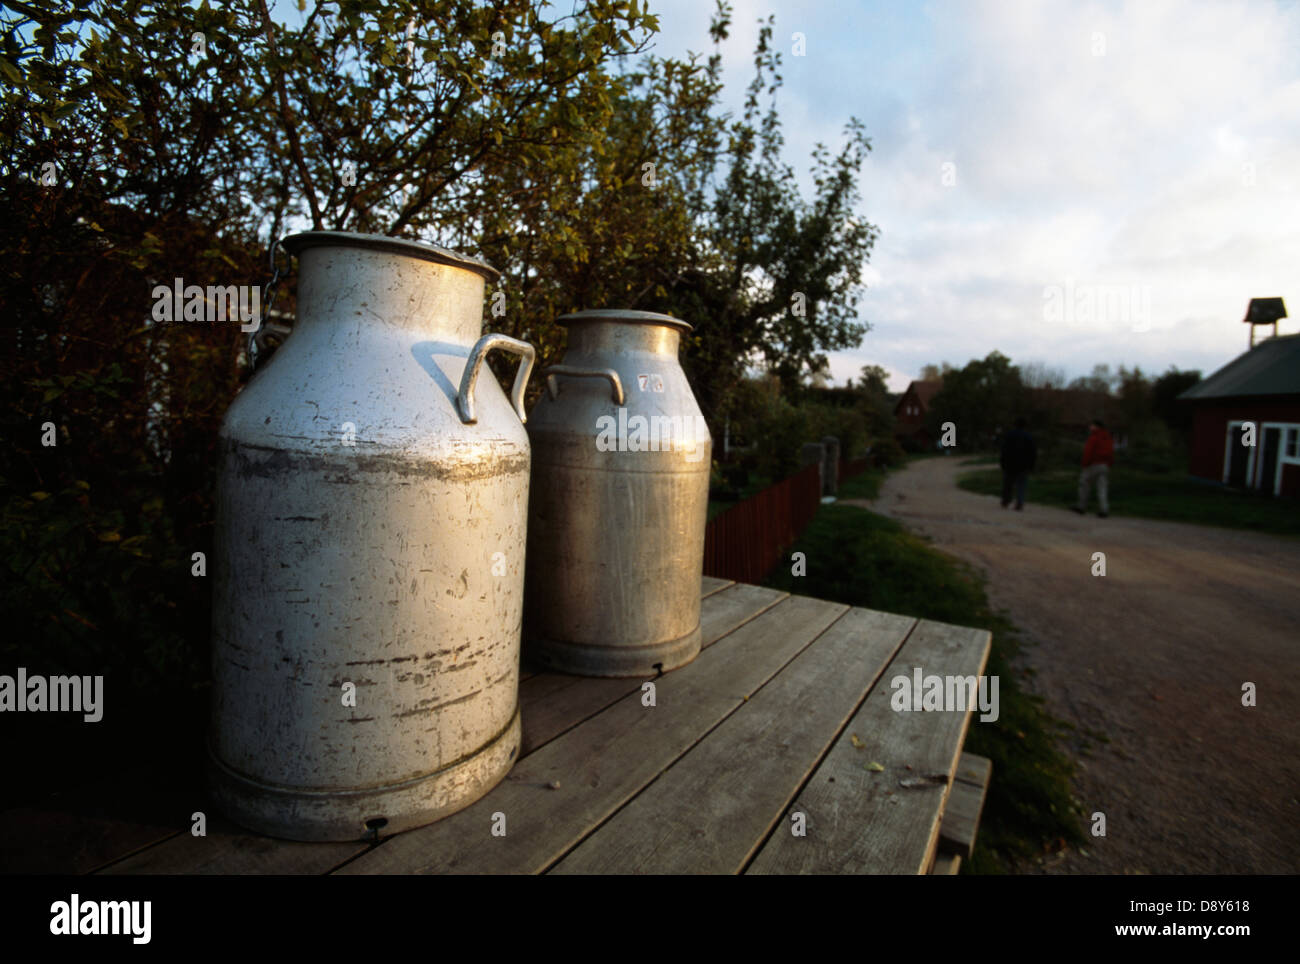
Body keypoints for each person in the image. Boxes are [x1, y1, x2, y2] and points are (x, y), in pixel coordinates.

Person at [1074, 419, 1114, 517]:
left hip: (1093, 464)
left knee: (1084, 484)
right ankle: (1104, 509)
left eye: (1092, 425)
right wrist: (1109, 464)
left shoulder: (1094, 437)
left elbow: (1088, 451)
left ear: (1096, 426)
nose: (1090, 427)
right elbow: (1111, 451)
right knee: (1102, 488)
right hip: (1104, 465)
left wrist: (1084, 463)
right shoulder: (1107, 437)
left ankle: (1081, 506)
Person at [999, 417, 1037, 510]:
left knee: (1008, 483)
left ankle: (1006, 500)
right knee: (1021, 485)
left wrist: (1002, 461)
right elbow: (1032, 452)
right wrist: (1031, 465)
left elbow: (1004, 449)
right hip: (1023, 465)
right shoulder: (1028, 437)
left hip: (1010, 463)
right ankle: (1019, 502)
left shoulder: (1009, 435)